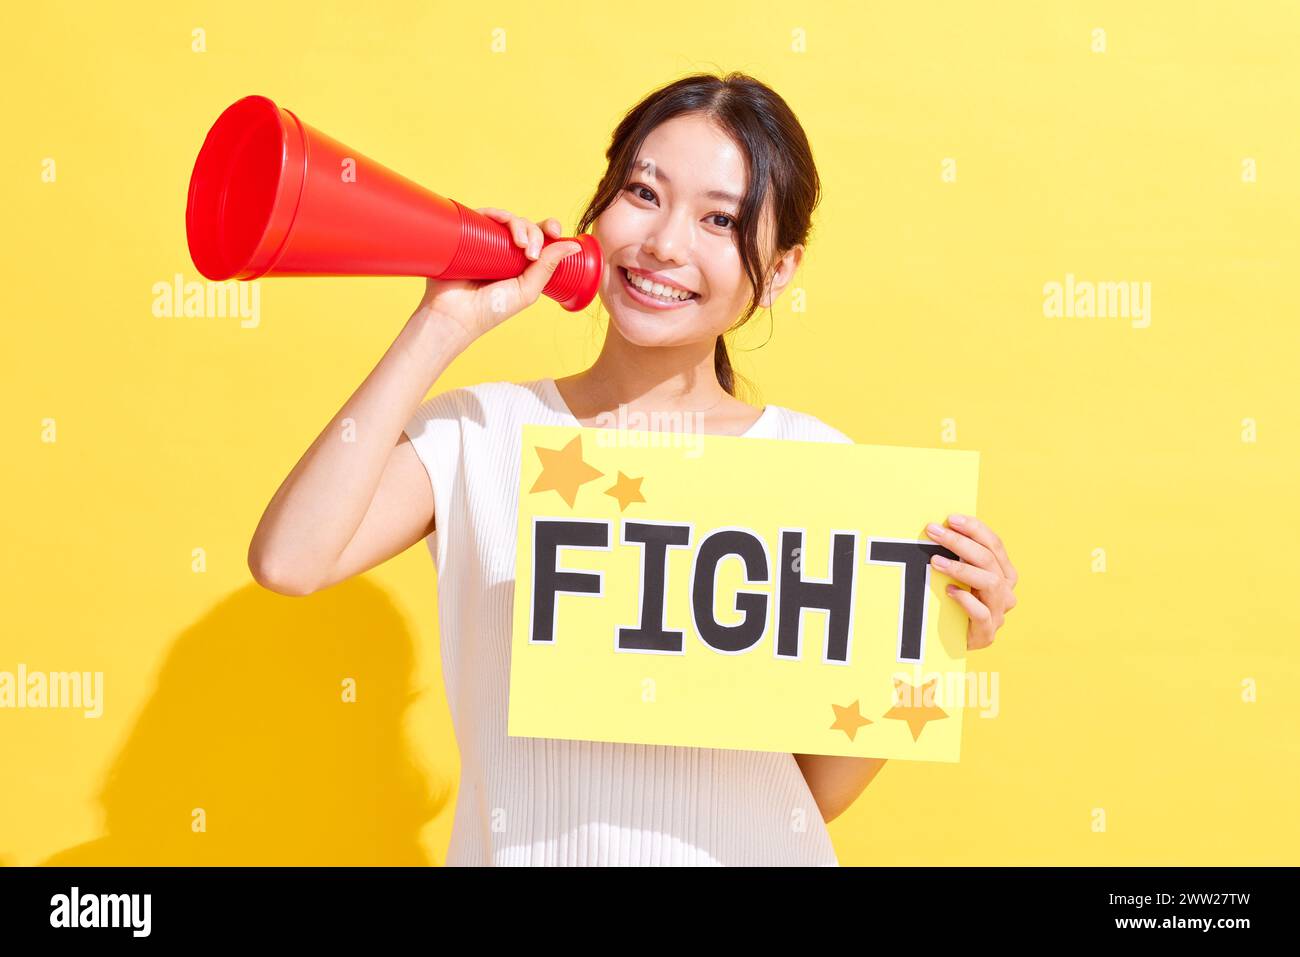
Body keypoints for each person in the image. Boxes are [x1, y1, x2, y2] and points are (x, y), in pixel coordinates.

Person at [247, 72, 1019, 866]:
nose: (664, 244)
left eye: (721, 218)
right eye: (643, 193)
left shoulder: (817, 470)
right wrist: (441, 322)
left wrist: (930, 644)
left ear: (781, 269)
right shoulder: (483, 433)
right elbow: (289, 560)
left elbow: (805, 796)